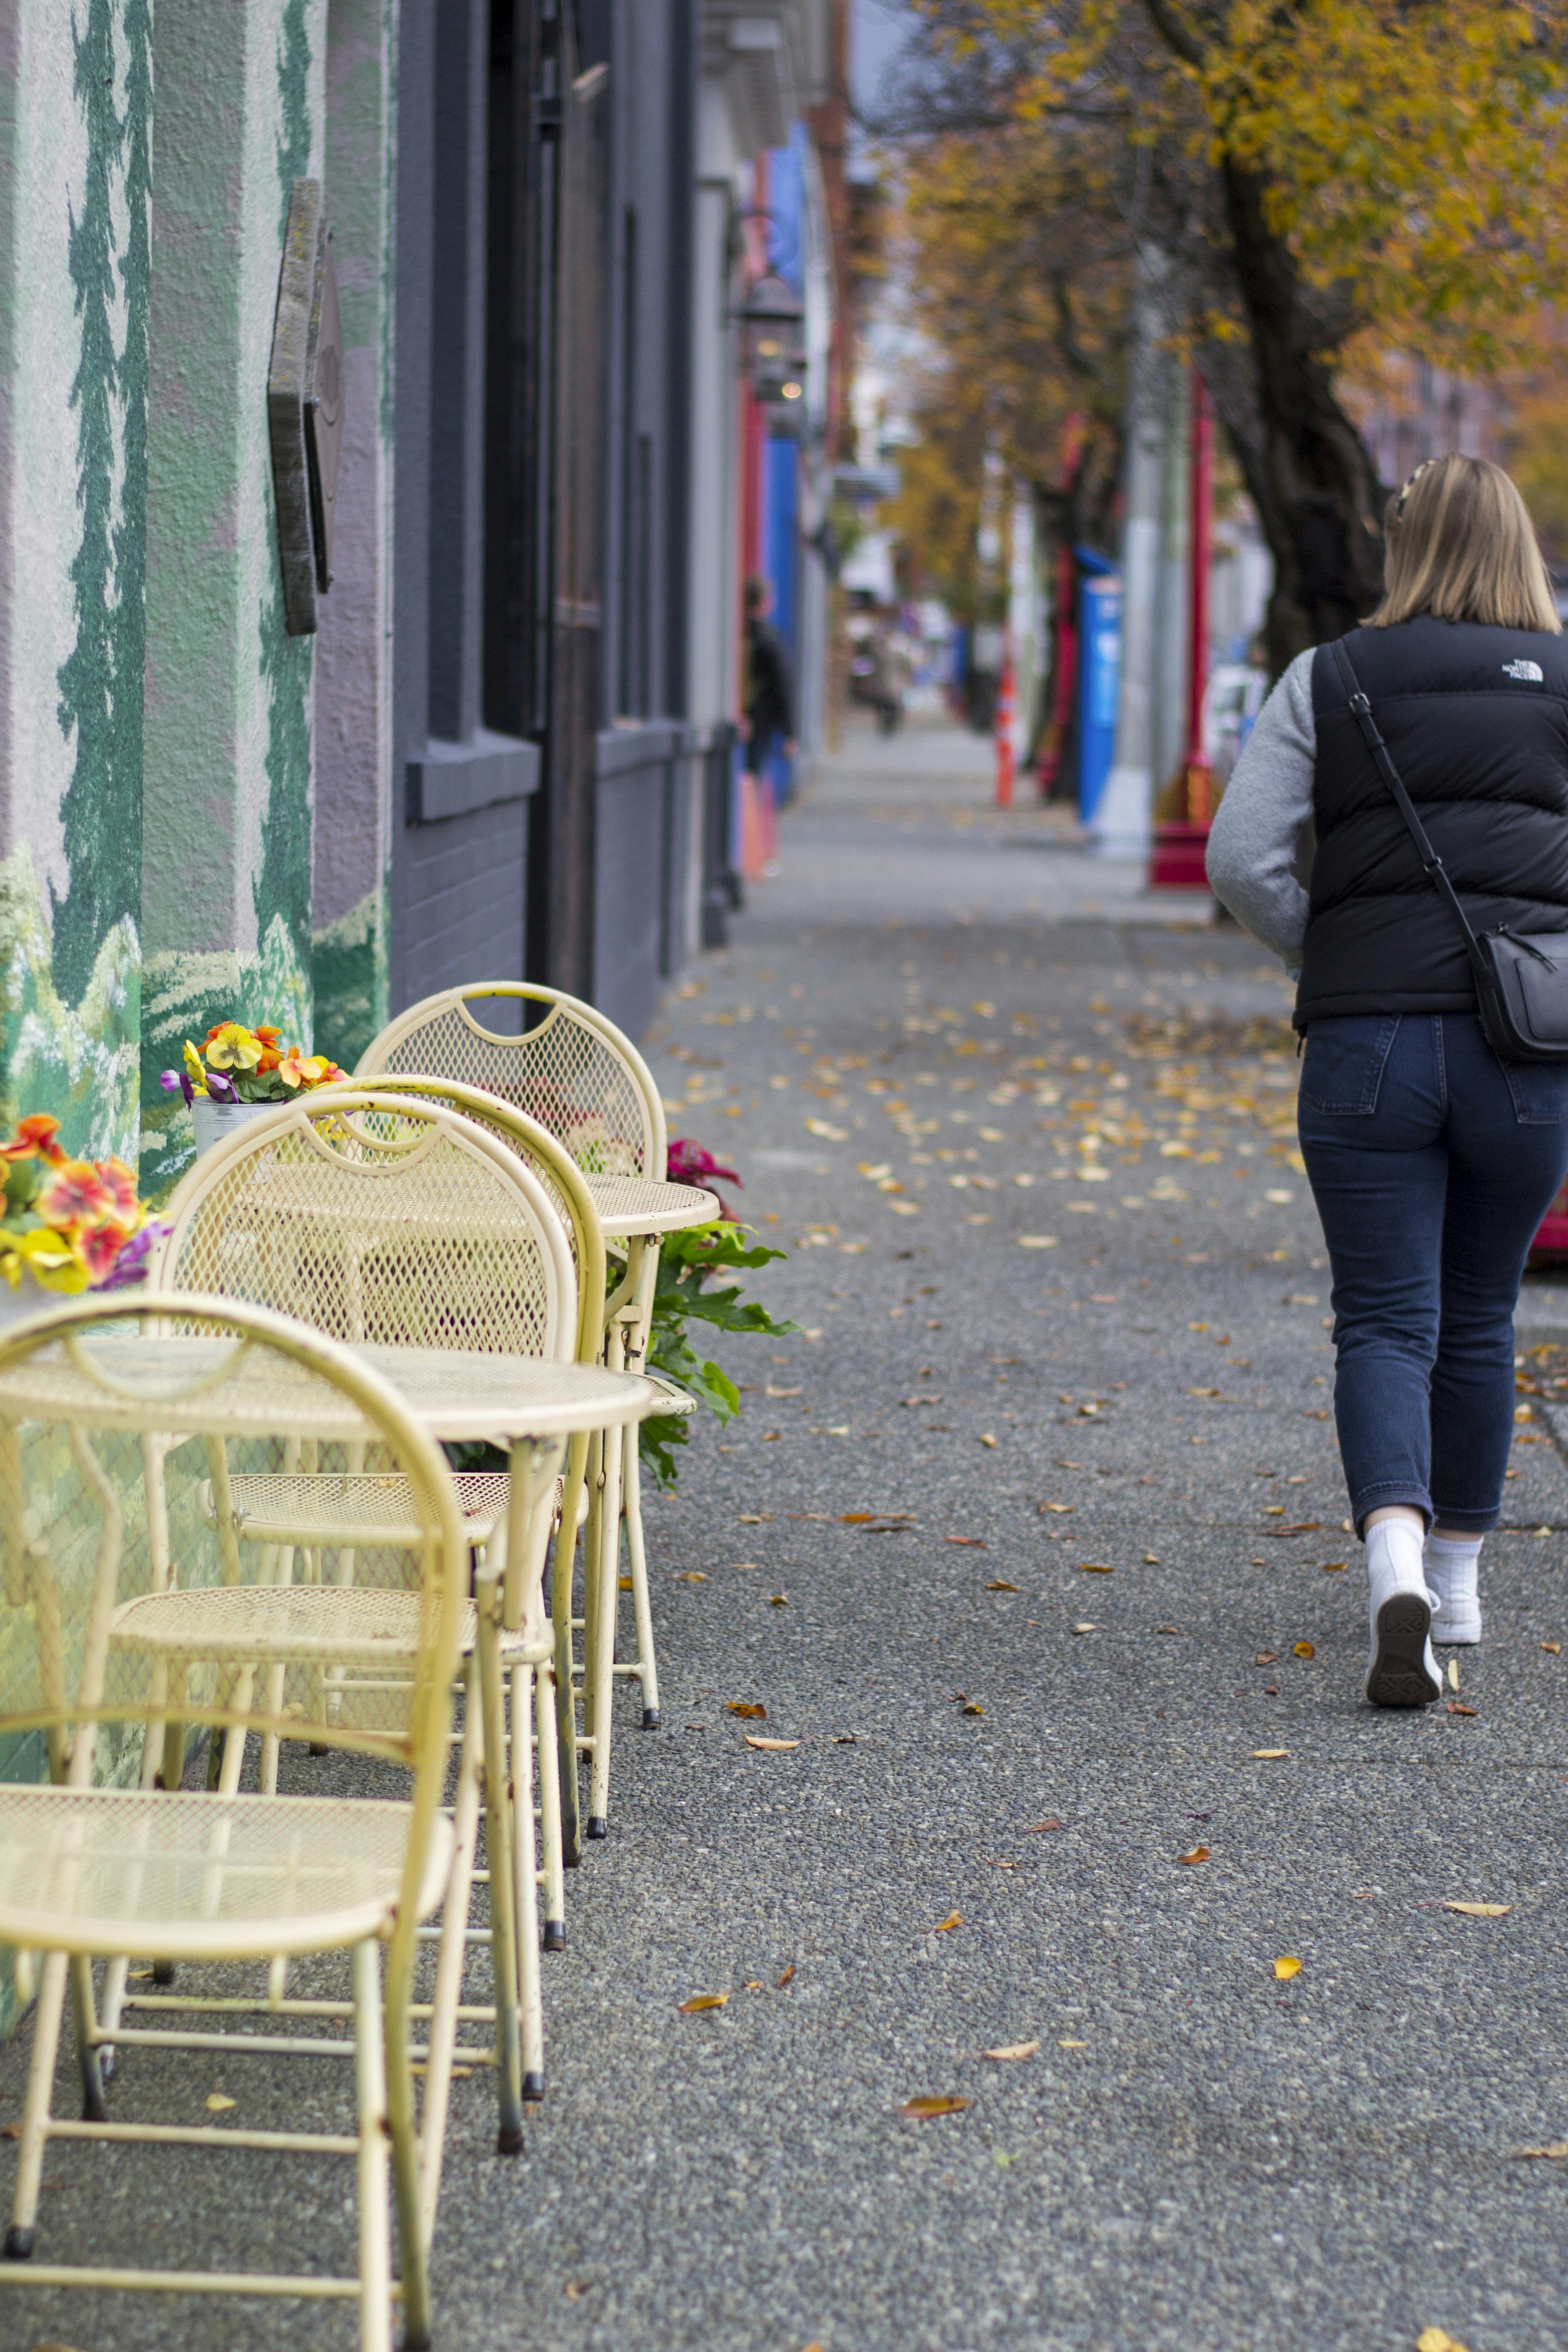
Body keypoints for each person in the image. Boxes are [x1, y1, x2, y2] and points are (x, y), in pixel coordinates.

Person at [1207, 455, 1568, 1707]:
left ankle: (1395, 1562)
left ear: (1399, 546)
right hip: (1526, 1050)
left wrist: (1330, 946)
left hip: (1366, 1047)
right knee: (1479, 1314)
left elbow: (1240, 854)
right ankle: (1460, 1583)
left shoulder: (1329, 676)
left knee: (1381, 1320)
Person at [742, 575, 796, 791]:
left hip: (739, 718)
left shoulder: (736, 634)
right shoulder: (769, 639)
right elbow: (782, 685)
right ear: (766, 602)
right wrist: (789, 733)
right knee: (752, 776)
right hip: (760, 719)